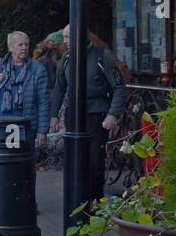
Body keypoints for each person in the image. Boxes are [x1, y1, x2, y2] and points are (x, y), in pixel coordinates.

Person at [49, 22, 127, 215]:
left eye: (67, 37)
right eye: (64, 37)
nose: (64, 41)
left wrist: (113, 114)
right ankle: (78, 200)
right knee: (75, 158)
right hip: (74, 113)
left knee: (94, 159)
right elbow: (59, 87)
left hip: (97, 113)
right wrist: (53, 115)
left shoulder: (102, 56)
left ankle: (96, 201)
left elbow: (119, 87)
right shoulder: (66, 58)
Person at [0, 30, 51, 208]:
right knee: (2, 165)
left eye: (26, 44)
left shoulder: (36, 69)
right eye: (20, 45)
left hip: (25, 126)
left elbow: (44, 101)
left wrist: (42, 131)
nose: (24, 48)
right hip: (2, 124)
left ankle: (27, 201)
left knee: (26, 166)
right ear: (10, 47)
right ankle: (3, 200)